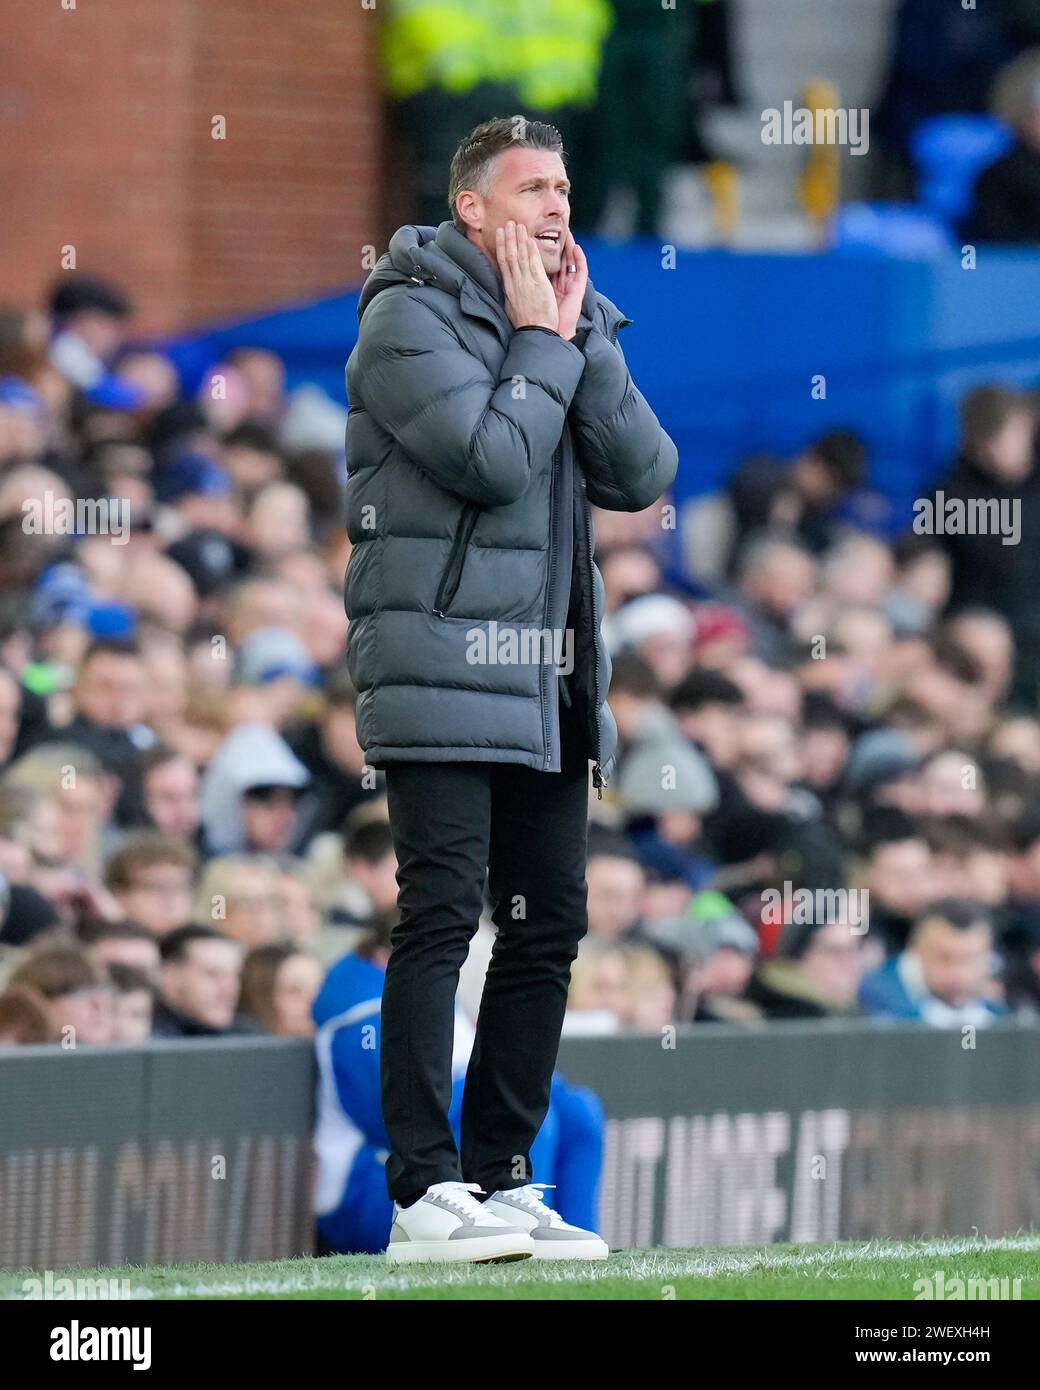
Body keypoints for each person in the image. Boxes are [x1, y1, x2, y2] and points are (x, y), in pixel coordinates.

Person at [344, 115, 676, 1262]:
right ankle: (420, 1191)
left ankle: (500, 1175)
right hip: (438, 661)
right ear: (471, 209)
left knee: (547, 927)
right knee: (439, 914)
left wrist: (582, 334)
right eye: (532, 187)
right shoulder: (403, 315)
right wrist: (542, 339)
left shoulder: (565, 318)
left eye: (567, 190)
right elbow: (488, 461)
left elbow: (640, 473)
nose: (556, 207)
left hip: (547, 674)